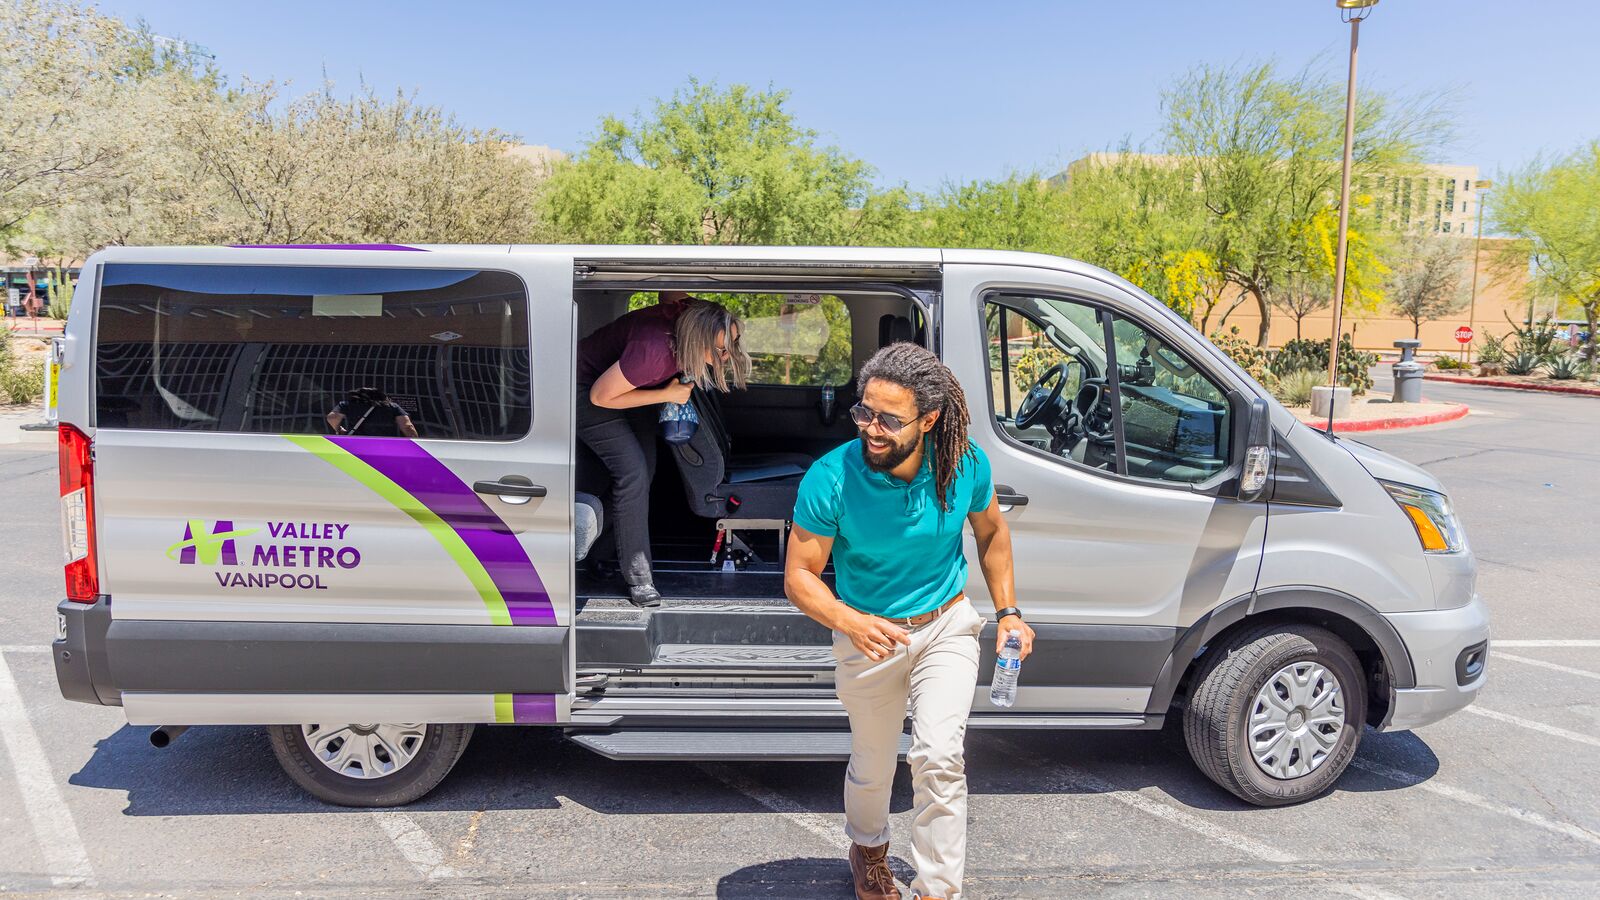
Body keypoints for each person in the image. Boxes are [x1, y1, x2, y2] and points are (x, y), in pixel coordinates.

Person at [785, 342, 1035, 900]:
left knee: (939, 755)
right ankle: (868, 849)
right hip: (868, 635)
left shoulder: (963, 462)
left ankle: (938, 891)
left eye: (888, 419)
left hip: (946, 624)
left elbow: (992, 533)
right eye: (864, 412)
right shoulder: (832, 478)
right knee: (874, 764)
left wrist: (1009, 612)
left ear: (929, 418)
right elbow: (800, 575)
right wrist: (850, 621)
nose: (871, 428)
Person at [577, 292, 750, 607]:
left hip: (629, 386)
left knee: (647, 469)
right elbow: (600, 397)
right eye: (722, 349)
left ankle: (597, 553)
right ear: (698, 340)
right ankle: (639, 580)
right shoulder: (655, 352)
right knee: (633, 473)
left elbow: (669, 292)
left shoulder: (691, 314)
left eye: (733, 345)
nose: (728, 355)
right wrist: (667, 393)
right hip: (586, 389)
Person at [326, 387, 419, 438]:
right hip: (386, 445)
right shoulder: (392, 407)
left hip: (354, 446)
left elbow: (332, 417)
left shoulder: (347, 404)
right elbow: (407, 427)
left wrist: (339, 430)